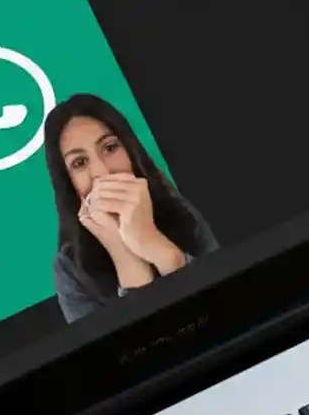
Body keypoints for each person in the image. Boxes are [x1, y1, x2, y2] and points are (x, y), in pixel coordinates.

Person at [45, 93, 219, 323]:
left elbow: (226, 307)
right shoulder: (69, 268)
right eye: (79, 163)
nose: (103, 172)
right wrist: (125, 258)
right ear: (69, 183)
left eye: (109, 147)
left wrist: (156, 246)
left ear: (130, 150)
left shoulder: (178, 210)